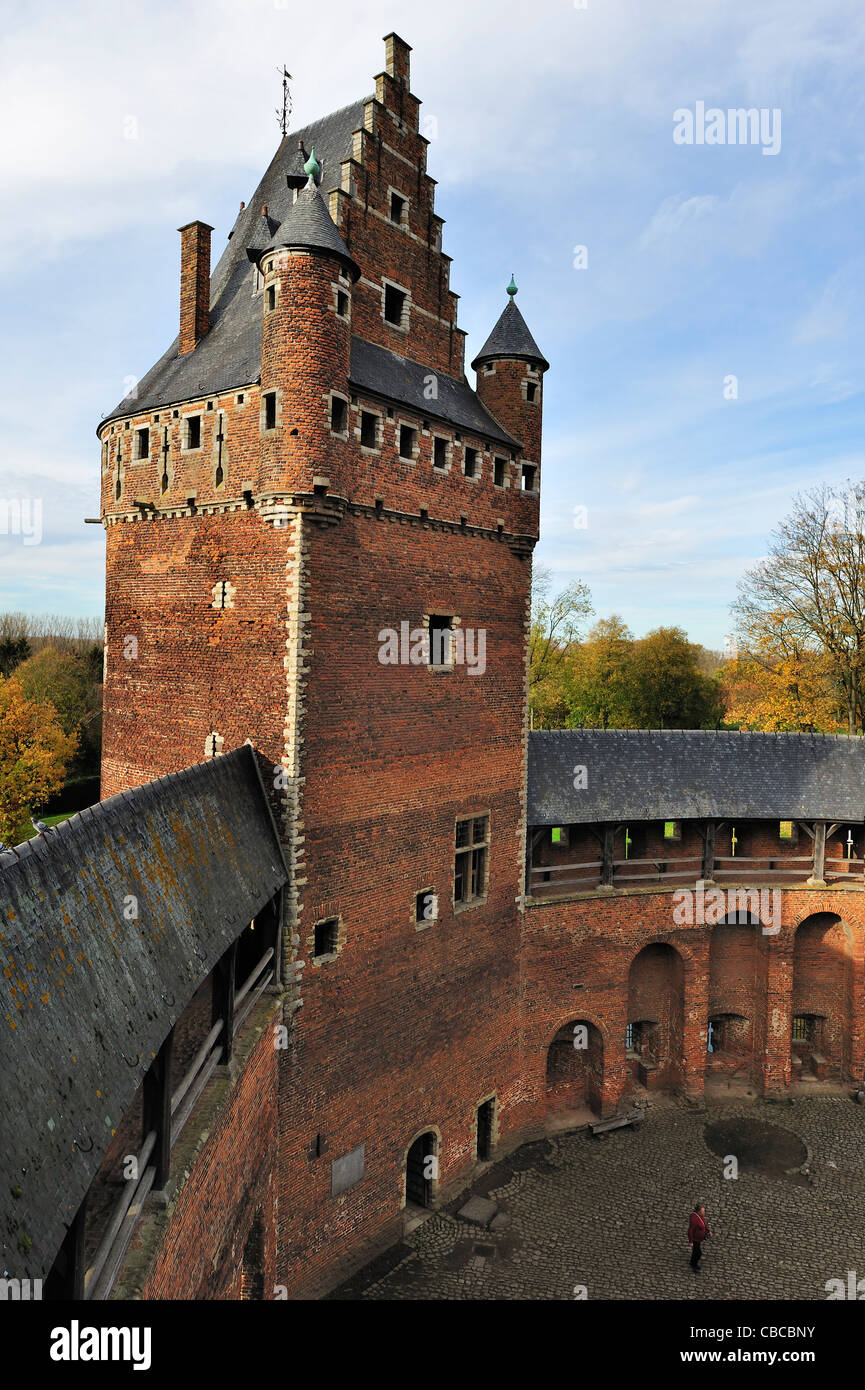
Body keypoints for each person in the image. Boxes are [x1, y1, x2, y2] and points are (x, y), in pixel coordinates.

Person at [688, 1202, 711, 1273]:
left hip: (699, 1239)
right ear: (699, 1212)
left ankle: (692, 1262)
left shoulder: (701, 1217)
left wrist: (708, 1230)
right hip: (695, 1239)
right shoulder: (694, 1220)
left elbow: (704, 1224)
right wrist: (691, 1241)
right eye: (703, 1211)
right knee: (698, 1253)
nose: (704, 1212)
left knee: (695, 1251)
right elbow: (690, 1231)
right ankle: (694, 1265)